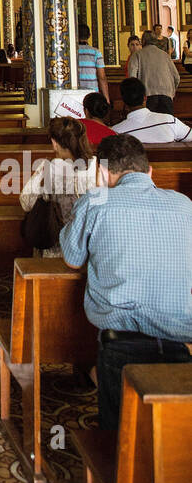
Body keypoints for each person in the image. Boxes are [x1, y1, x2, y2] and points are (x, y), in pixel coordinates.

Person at [59, 133, 192, 431]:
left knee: (121, 437)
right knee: (174, 435)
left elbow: (71, 258)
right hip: (181, 340)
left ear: (103, 172)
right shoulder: (184, 206)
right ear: (150, 171)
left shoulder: (96, 201)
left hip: (121, 339)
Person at [19, 117, 96, 257]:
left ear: (54, 143)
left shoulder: (48, 168)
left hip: (56, 246)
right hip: (90, 244)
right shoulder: (97, 166)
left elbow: (26, 202)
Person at [113, 78, 192, 144]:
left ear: (124, 103)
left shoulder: (116, 132)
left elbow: (104, 159)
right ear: (145, 98)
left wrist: (103, 163)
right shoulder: (170, 121)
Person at [126, 29, 180, 104]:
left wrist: (136, 97)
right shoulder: (165, 55)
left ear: (143, 41)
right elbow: (176, 77)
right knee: (166, 116)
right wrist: (171, 92)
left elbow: (132, 77)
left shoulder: (137, 55)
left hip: (147, 95)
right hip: (167, 95)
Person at [76, 22, 109, 101]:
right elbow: (102, 77)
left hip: (76, 92)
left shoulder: (72, 52)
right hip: (92, 92)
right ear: (89, 35)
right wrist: (107, 98)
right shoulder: (96, 52)